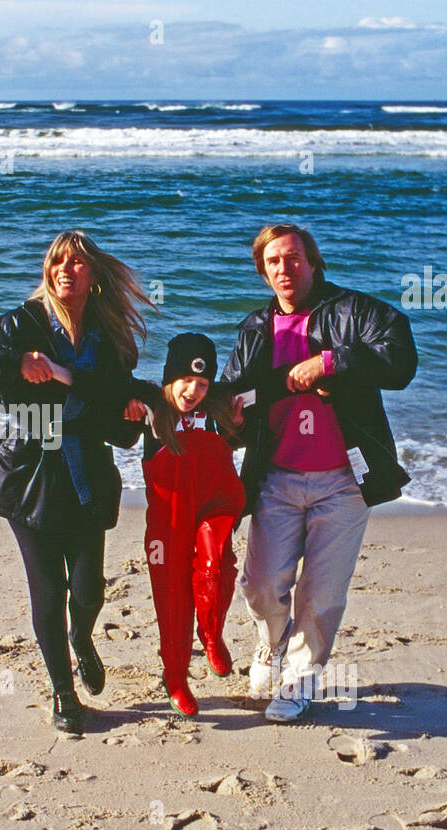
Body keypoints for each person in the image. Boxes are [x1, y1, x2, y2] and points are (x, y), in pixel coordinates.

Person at [0, 230, 151, 734]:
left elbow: (116, 397)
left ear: (93, 274)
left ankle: (82, 638)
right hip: (29, 473)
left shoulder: (109, 334)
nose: (65, 270)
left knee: (89, 589)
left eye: (77, 262)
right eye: (57, 261)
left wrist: (133, 409)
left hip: (87, 472)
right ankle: (63, 693)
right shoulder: (22, 322)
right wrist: (15, 362)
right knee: (49, 589)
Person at [220, 223, 417, 722]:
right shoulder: (255, 328)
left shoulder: (354, 311)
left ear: (313, 262)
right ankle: (270, 643)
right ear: (263, 272)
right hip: (276, 477)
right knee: (261, 585)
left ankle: (301, 680)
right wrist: (230, 418)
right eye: (273, 262)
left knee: (322, 594)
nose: (284, 268)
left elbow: (400, 360)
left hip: (345, 480)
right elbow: (231, 397)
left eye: (293, 258)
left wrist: (329, 361)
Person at [134, 333, 246, 718]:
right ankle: (176, 677)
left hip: (215, 504)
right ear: (169, 378)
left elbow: (269, 386)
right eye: (185, 380)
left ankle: (211, 634)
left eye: (202, 383)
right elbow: (106, 393)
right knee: (173, 596)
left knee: (216, 564)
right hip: (169, 518)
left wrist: (238, 423)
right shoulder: (151, 408)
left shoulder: (221, 407)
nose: (193, 391)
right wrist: (127, 408)